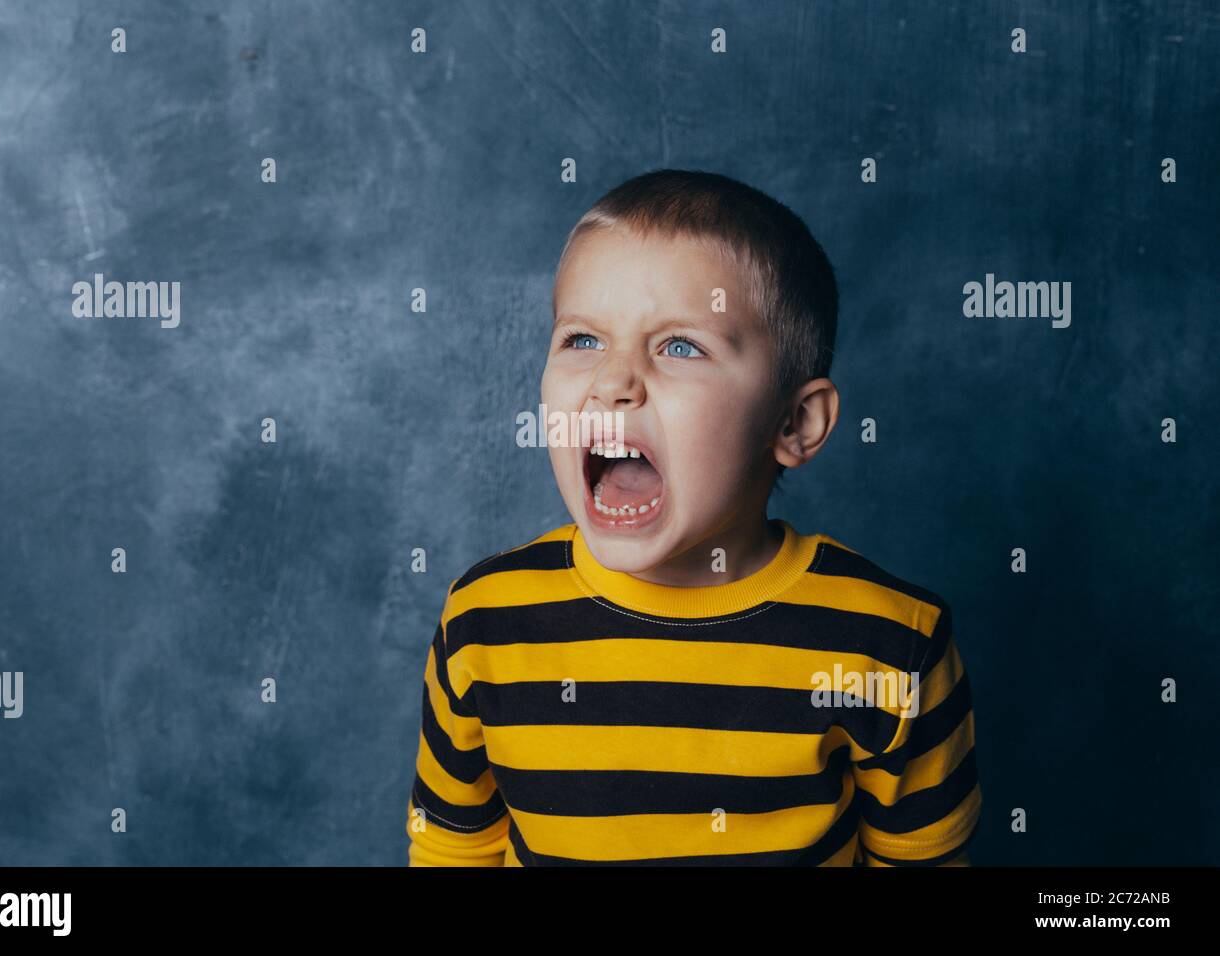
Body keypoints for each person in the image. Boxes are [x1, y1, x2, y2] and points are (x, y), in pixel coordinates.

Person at [405, 169, 981, 866]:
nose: (613, 382)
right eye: (582, 340)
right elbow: (454, 849)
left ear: (795, 422)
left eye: (680, 346)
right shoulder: (485, 624)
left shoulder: (891, 646)